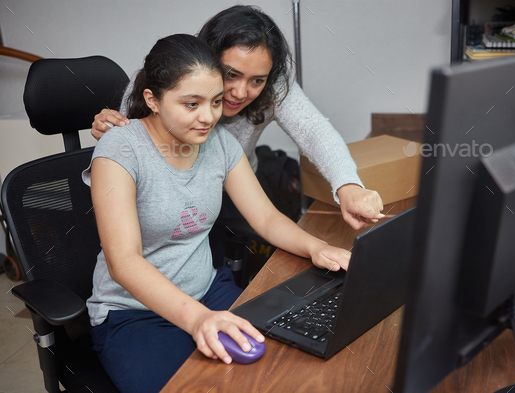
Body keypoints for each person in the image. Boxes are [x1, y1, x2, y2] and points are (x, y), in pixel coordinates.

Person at [82, 34, 351, 393]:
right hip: (133, 314)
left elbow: (266, 218)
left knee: (285, 369)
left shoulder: (218, 142)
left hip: (208, 292)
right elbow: (123, 261)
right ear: (152, 99)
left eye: (216, 102)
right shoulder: (120, 148)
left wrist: (316, 247)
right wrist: (197, 320)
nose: (208, 116)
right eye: (191, 104)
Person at [91, 5, 385, 232]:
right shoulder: (161, 83)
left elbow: (314, 130)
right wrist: (114, 127)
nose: (239, 93)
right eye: (231, 74)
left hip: (236, 191)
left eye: (257, 81)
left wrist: (348, 186)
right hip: (165, 199)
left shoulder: (272, 90)